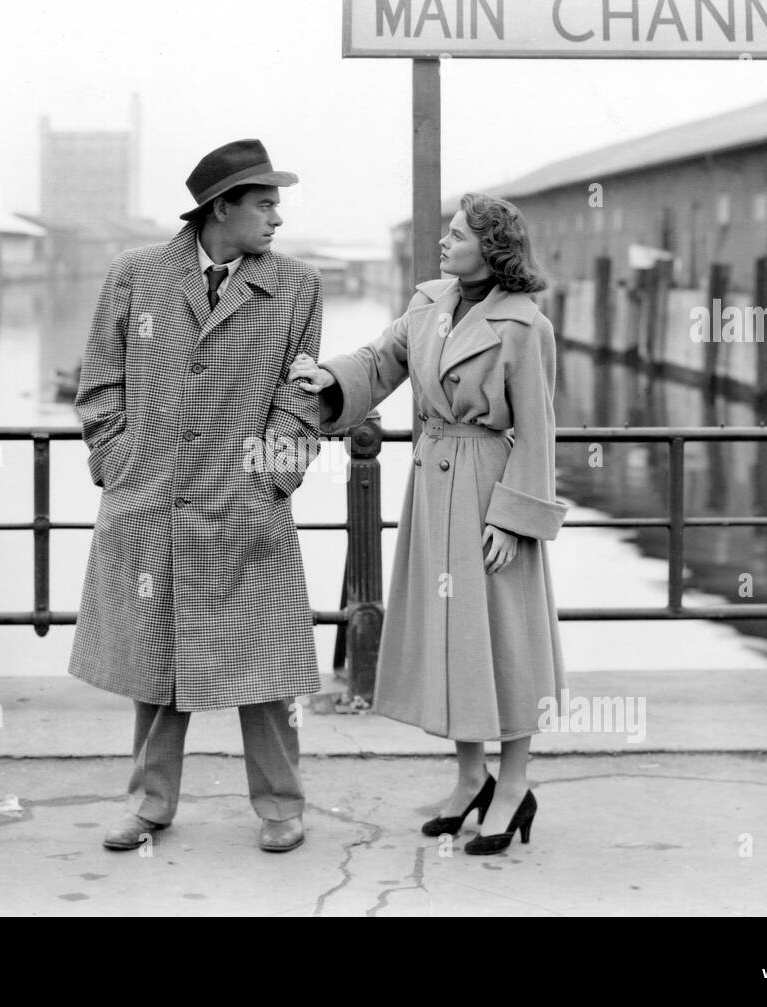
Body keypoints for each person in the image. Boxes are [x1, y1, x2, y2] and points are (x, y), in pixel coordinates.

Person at [288, 193, 567, 855]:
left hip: (491, 489)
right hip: (434, 480)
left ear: (491, 247)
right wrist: (325, 376)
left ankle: (514, 783)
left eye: (457, 234)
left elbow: (538, 428)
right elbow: (379, 361)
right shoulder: (427, 303)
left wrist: (515, 519)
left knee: (507, 639)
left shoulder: (526, 326)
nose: (444, 242)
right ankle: (472, 775)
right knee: (454, 636)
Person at [69, 138, 323, 854]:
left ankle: (281, 804)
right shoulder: (135, 277)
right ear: (222, 208)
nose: (277, 217)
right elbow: (97, 386)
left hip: (246, 501)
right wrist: (120, 465)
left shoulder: (298, 286)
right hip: (149, 502)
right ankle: (150, 802)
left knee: (267, 666)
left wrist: (269, 480)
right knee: (154, 662)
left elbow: (301, 401)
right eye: (264, 203)